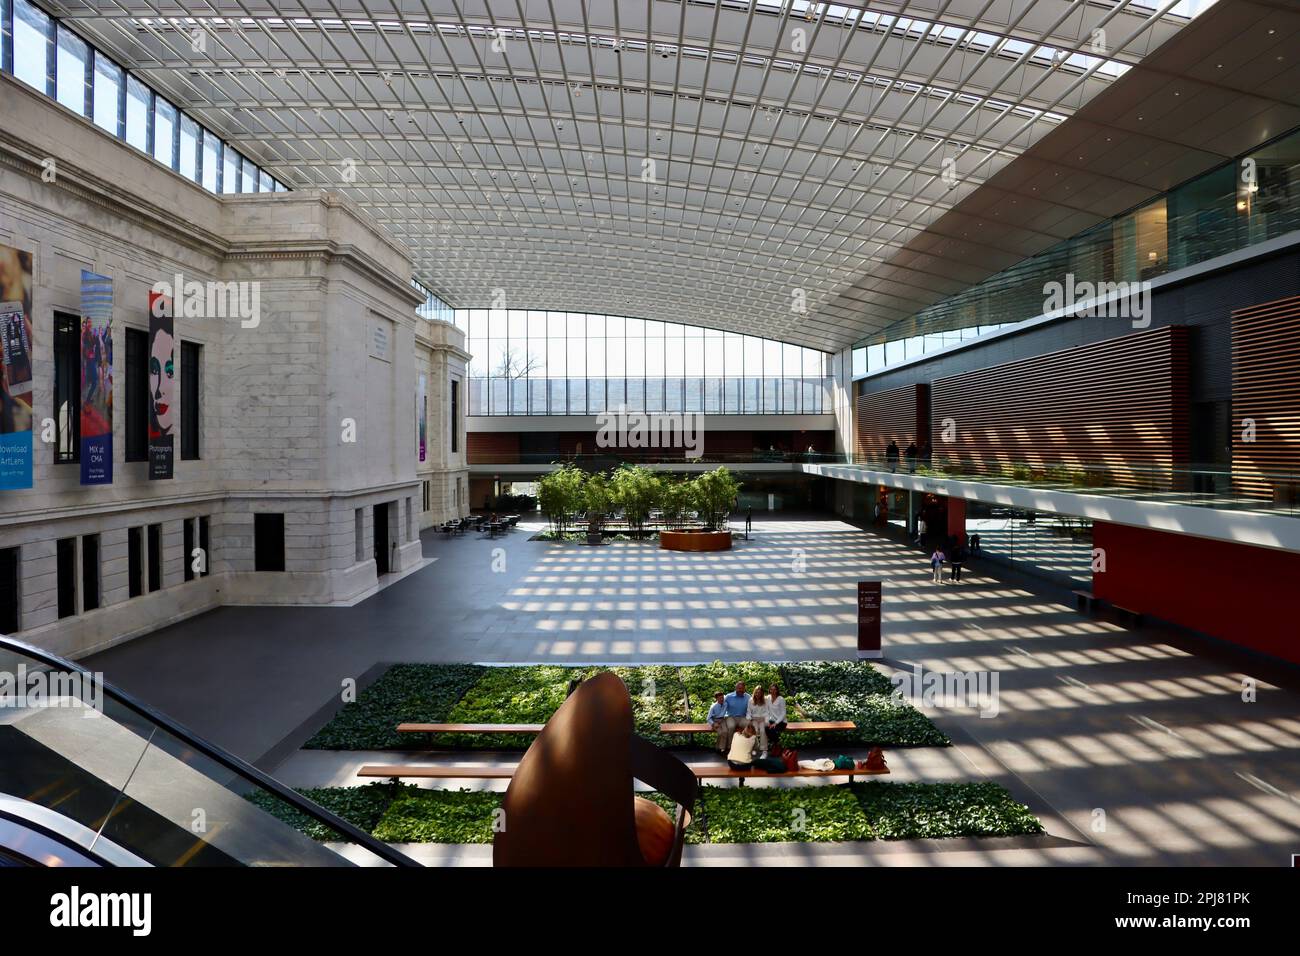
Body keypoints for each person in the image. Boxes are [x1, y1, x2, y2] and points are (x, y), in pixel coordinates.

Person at [719, 681, 749, 752]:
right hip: (731, 717)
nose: (740, 690)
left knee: (749, 726)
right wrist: (717, 718)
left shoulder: (748, 697)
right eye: (738, 688)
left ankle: (746, 746)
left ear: (744, 689)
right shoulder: (729, 696)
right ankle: (730, 747)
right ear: (735, 688)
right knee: (731, 726)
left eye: (742, 688)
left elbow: (753, 707)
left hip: (743, 717)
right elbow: (720, 705)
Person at [746, 686, 769, 758]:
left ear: (762, 693)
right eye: (756, 692)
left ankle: (764, 751)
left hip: (763, 719)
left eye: (759, 692)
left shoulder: (766, 700)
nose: (758, 694)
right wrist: (750, 719)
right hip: (754, 719)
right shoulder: (750, 700)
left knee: (762, 731)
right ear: (754, 692)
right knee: (754, 731)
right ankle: (754, 748)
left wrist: (765, 720)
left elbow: (768, 711)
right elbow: (748, 712)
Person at [766, 684, 788, 751]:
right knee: (765, 727)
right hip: (771, 720)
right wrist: (767, 721)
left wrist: (776, 723)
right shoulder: (768, 698)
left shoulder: (781, 699)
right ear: (769, 690)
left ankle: (777, 745)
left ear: (777, 690)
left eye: (774, 689)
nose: (773, 691)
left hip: (781, 722)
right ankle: (778, 745)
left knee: (772, 729)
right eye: (771, 689)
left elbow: (783, 713)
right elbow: (766, 711)